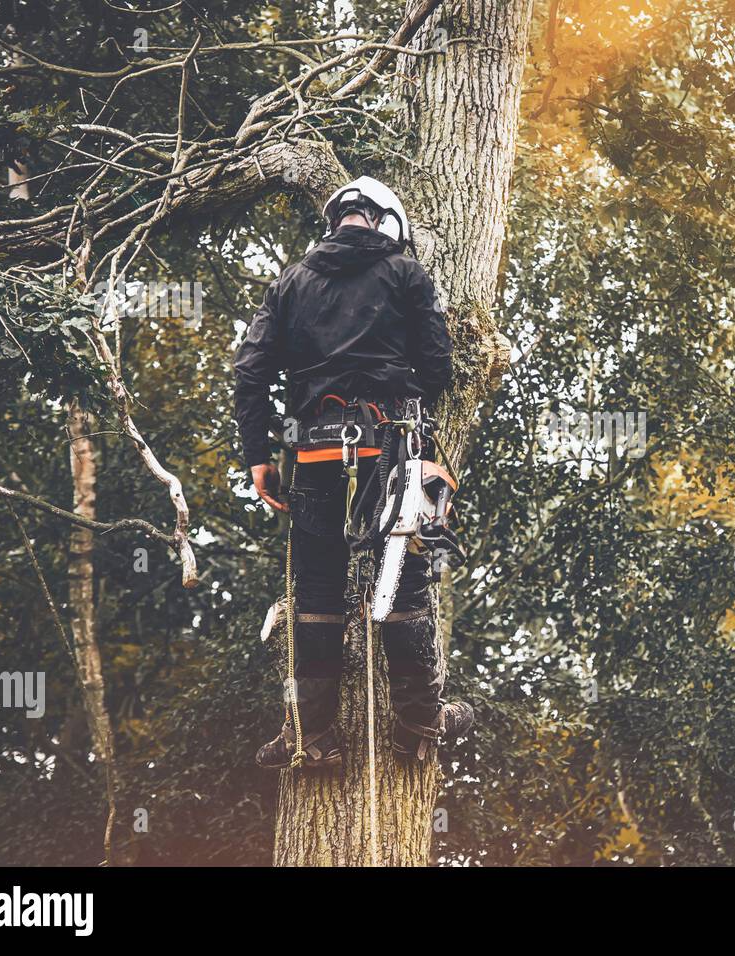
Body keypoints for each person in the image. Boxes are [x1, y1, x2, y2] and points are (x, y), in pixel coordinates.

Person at [233, 176, 474, 769]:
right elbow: (439, 367)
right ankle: (417, 726)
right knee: (405, 589)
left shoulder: (289, 283)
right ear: (388, 221)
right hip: (392, 453)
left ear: (336, 222)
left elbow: (251, 373)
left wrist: (258, 457)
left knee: (316, 594)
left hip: (312, 457)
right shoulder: (408, 274)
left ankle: (314, 740)